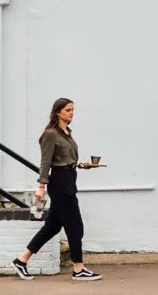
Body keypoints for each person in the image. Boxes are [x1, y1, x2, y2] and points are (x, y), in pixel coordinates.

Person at [13, 97, 100, 281]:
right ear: (58, 112)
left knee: (52, 226)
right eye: (68, 110)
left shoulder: (66, 132)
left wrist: (81, 165)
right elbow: (46, 162)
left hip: (69, 179)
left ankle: (22, 260)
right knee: (75, 226)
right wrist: (41, 187)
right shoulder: (51, 134)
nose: (72, 113)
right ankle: (78, 268)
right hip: (60, 183)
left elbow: (65, 159)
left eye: (73, 110)